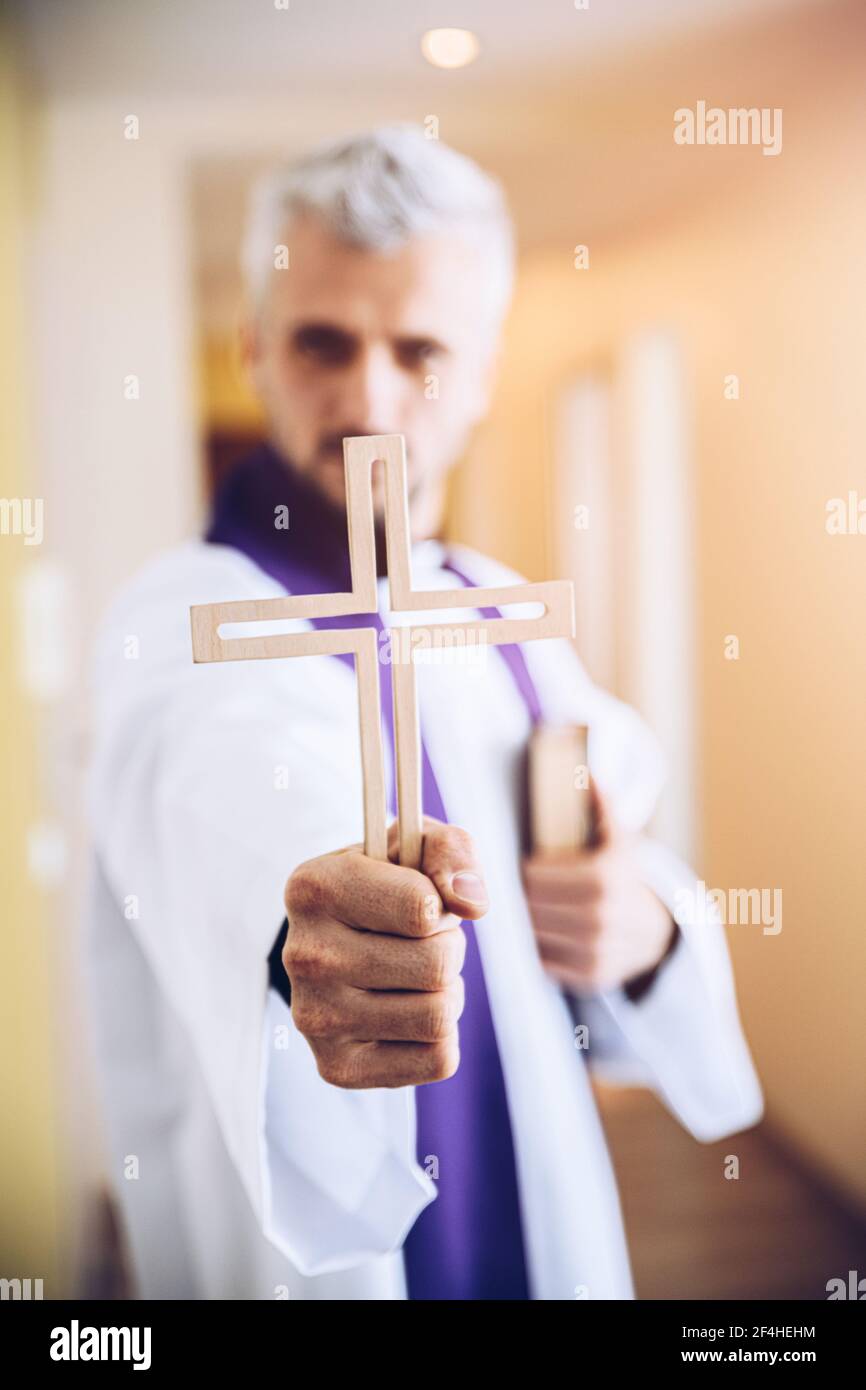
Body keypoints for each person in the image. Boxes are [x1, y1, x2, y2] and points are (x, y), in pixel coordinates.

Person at [86, 124, 763, 1301]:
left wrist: (637, 928)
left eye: (419, 349)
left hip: (537, 1197)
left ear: (485, 371)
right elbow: (228, 791)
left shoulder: (496, 609)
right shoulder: (180, 619)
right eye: (322, 341)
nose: (369, 396)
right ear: (251, 347)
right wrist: (309, 941)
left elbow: (606, 800)